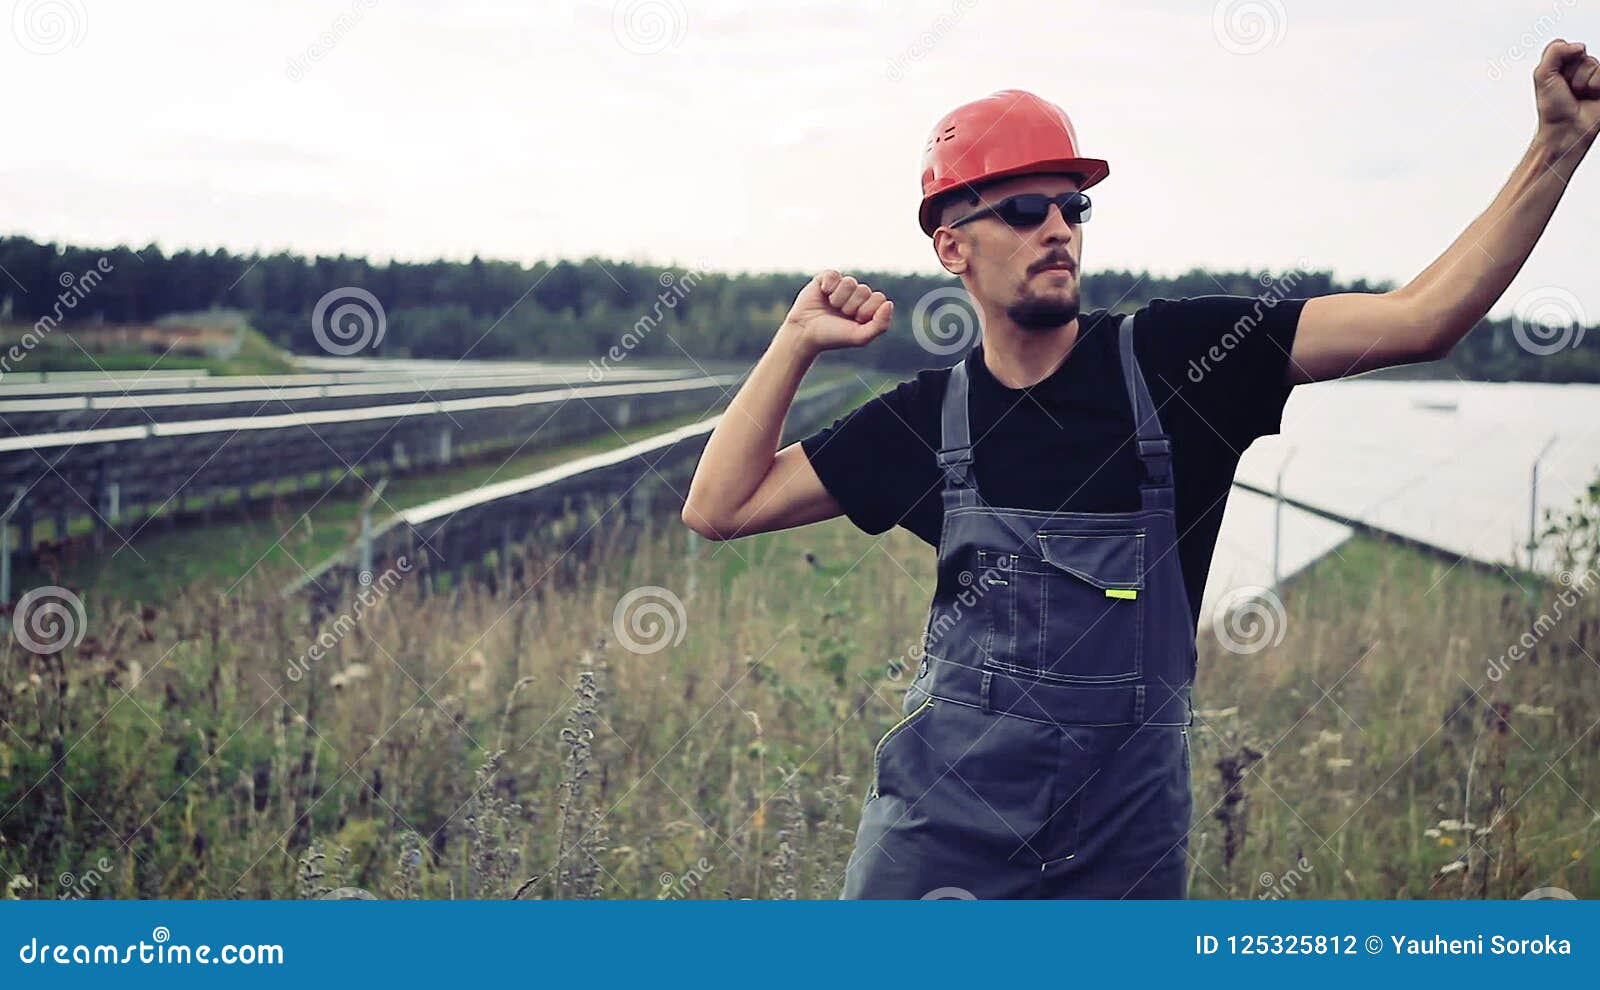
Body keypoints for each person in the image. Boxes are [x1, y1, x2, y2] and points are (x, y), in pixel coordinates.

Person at [680, 40, 1600, 898]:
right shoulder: (927, 421)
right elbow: (719, 506)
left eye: (1072, 207)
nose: (1058, 229)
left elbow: (1421, 320)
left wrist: (1555, 147)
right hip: (938, 835)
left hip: (1119, 845)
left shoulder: (1181, 363)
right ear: (951, 244)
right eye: (1023, 208)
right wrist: (796, 338)